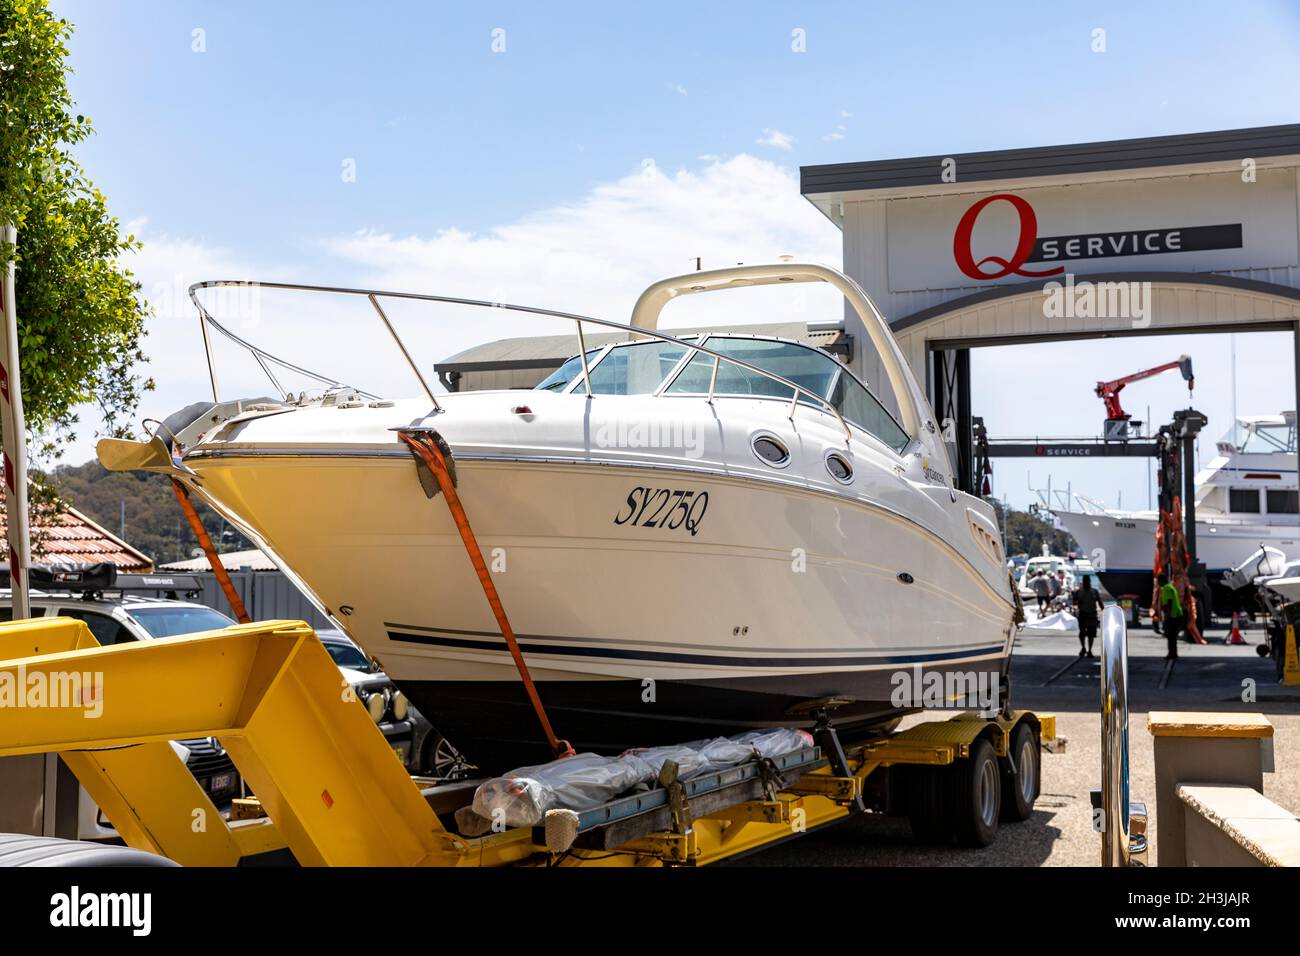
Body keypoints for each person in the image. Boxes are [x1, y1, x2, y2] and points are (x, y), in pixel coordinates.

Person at [1158, 573, 1184, 660]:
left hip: (1173, 616)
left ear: (1162, 581)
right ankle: (1174, 653)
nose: (1158, 584)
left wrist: (1167, 617)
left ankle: (1171, 654)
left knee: (1170, 636)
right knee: (1173, 637)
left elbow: (1169, 602)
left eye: (1159, 581)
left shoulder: (1166, 588)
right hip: (1177, 615)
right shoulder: (1170, 587)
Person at [1073, 576, 1101, 658]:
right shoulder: (1078, 592)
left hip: (1092, 615)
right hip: (1083, 614)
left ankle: (1089, 650)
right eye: (1085, 581)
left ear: (1089, 581)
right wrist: (1078, 603)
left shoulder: (1094, 591)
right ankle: (1083, 647)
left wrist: (1105, 612)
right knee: (1082, 633)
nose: (1086, 582)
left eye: (1087, 581)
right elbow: (1074, 602)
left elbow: (1099, 602)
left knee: (1091, 634)